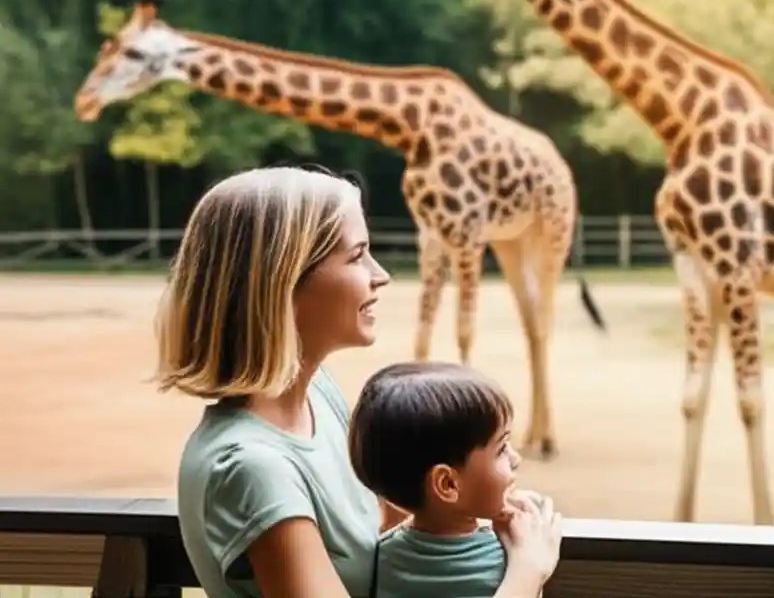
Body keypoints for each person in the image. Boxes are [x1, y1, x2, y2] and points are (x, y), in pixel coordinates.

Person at [156, 164, 562, 598]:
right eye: (356, 256)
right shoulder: (253, 468)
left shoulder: (317, 396)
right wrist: (526, 569)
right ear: (284, 281)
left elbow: (389, 525)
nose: (379, 274)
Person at [348, 361, 550, 597]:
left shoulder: (383, 557)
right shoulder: (512, 560)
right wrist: (529, 562)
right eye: (502, 448)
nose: (516, 459)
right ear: (448, 484)